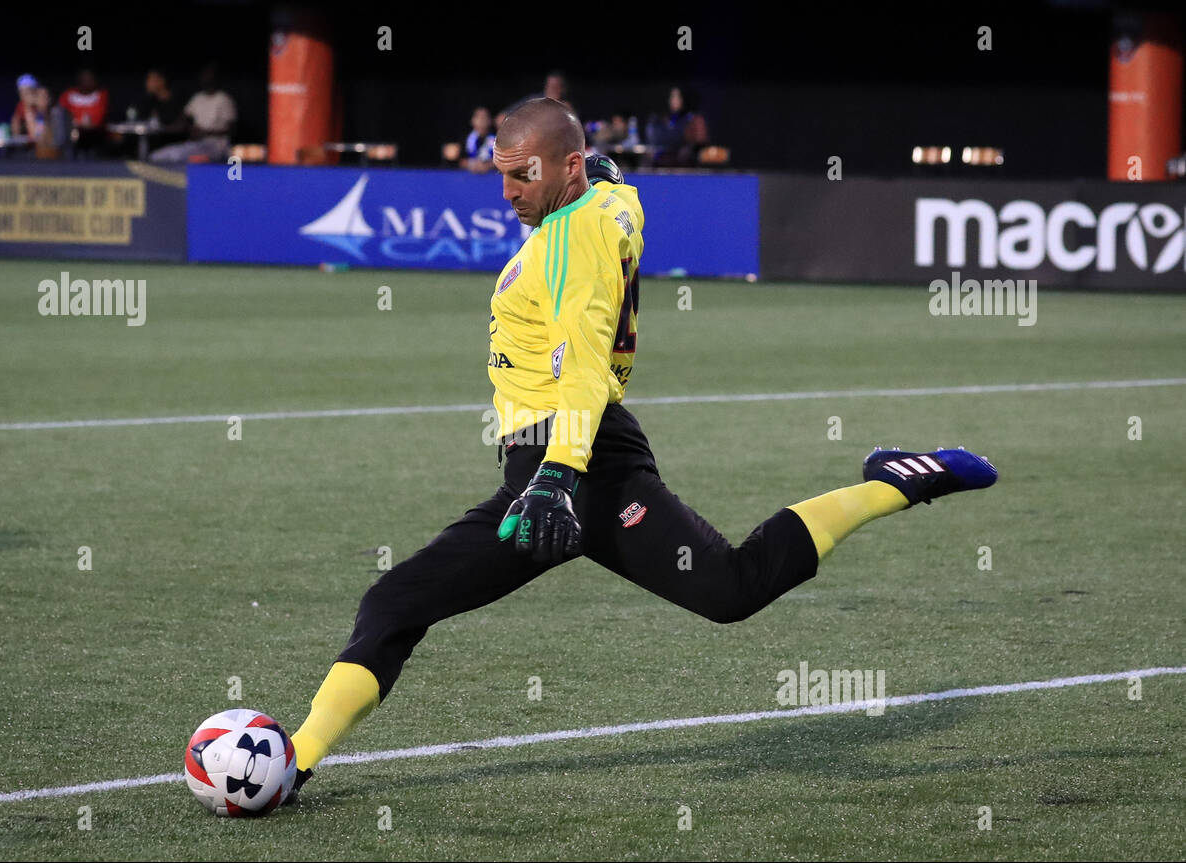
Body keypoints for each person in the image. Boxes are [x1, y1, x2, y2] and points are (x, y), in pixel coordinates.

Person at [283, 98, 998, 799]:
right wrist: (604, 169)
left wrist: (557, 477)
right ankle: (297, 760)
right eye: (500, 175)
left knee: (726, 591)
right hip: (557, 466)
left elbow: (586, 372)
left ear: (565, 167)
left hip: (575, 462)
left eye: (522, 176)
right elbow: (622, 189)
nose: (506, 192)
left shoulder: (569, 245)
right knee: (403, 601)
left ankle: (900, 480)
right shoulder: (611, 202)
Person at [150, 64, 236, 163]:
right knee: (157, 156)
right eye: (204, 75)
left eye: (209, 75)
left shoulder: (224, 99)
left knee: (180, 157)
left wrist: (205, 133)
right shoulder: (197, 98)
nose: (206, 78)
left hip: (217, 145)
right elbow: (182, 120)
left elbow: (231, 130)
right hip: (197, 143)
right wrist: (163, 128)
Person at [646, 86, 709, 167]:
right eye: (672, 97)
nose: (674, 100)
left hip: (685, 167)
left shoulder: (694, 120)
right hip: (662, 165)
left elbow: (700, 144)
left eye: (678, 97)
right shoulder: (663, 119)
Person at [59, 68, 109, 157]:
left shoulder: (101, 94)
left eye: (90, 79)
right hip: (70, 137)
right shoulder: (68, 94)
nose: (87, 81)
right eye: (84, 78)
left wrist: (86, 125)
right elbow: (60, 115)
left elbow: (98, 120)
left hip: (94, 137)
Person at [10, 74, 47, 140]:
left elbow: (36, 135)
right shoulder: (21, 105)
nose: (23, 96)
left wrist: (29, 109)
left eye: (27, 92)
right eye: (21, 92)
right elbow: (15, 130)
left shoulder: (43, 103)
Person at [460, 106, 495, 172]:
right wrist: (472, 165)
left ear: (490, 120)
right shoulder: (464, 139)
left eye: (485, 117)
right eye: (478, 117)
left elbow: (504, 161)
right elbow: (460, 160)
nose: (481, 120)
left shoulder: (498, 139)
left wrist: (488, 165)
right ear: (472, 120)